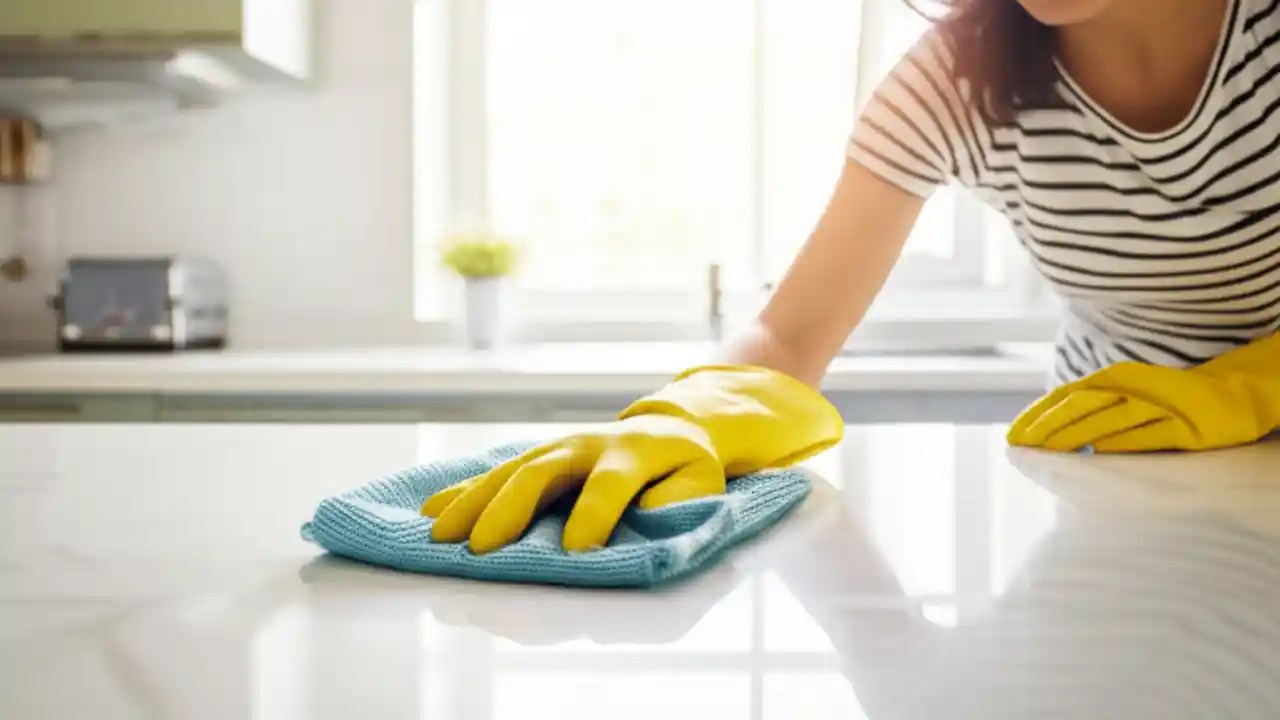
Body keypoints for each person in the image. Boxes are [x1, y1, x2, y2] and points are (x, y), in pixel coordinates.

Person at [423, 0, 1280, 554]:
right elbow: (790, 333)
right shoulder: (957, 77)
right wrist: (696, 412)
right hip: (1109, 483)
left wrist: (1251, 388)